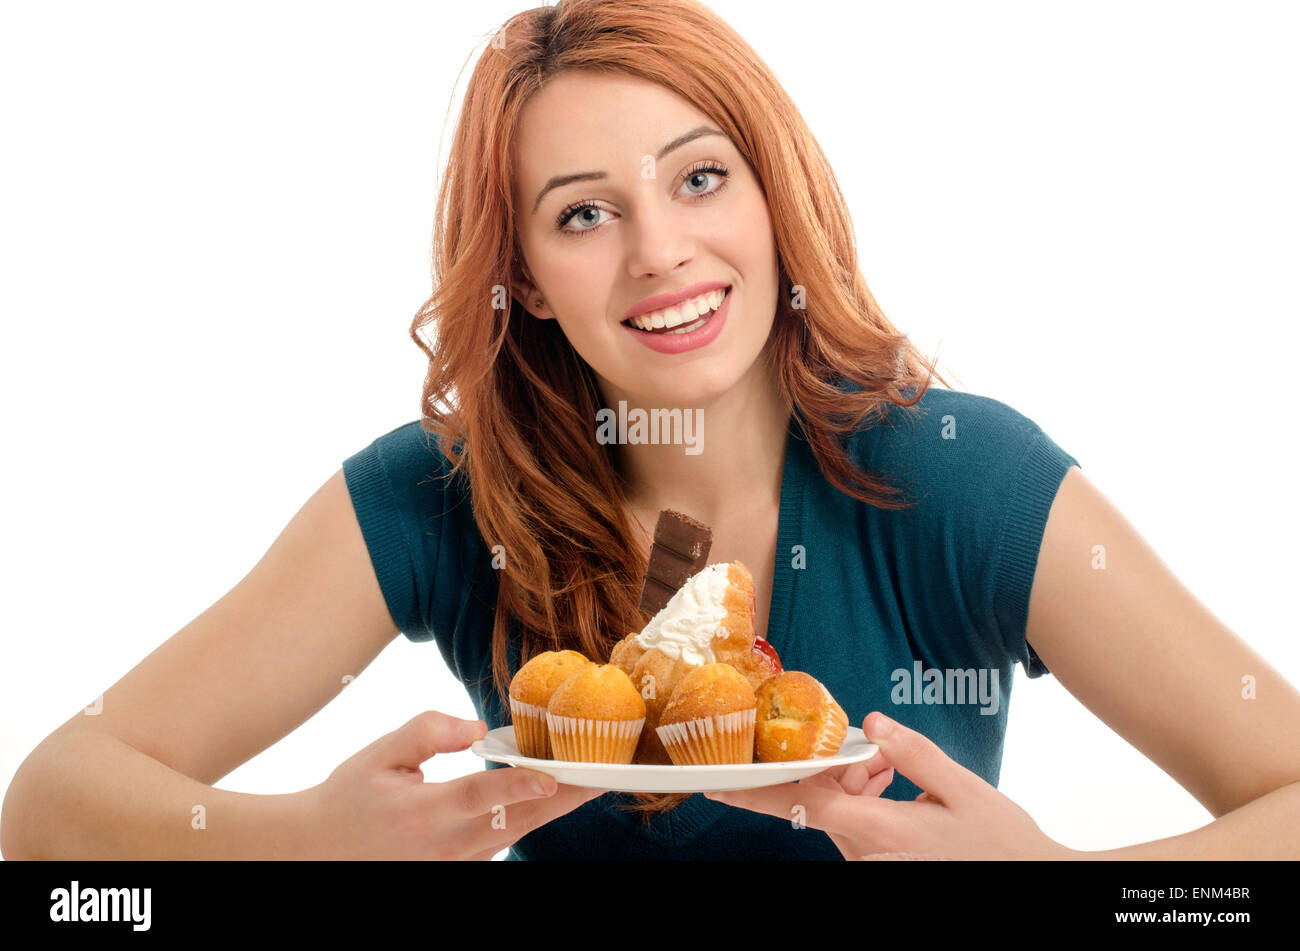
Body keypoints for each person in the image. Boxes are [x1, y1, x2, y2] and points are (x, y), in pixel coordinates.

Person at [5, 0, 1300, 862]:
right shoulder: (441, 498)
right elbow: (52, 804)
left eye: (697, 177)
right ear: (519, 271)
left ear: (772, 191)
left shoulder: (959, 480)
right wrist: (307, 841)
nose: (660, 252)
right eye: (583, 213)